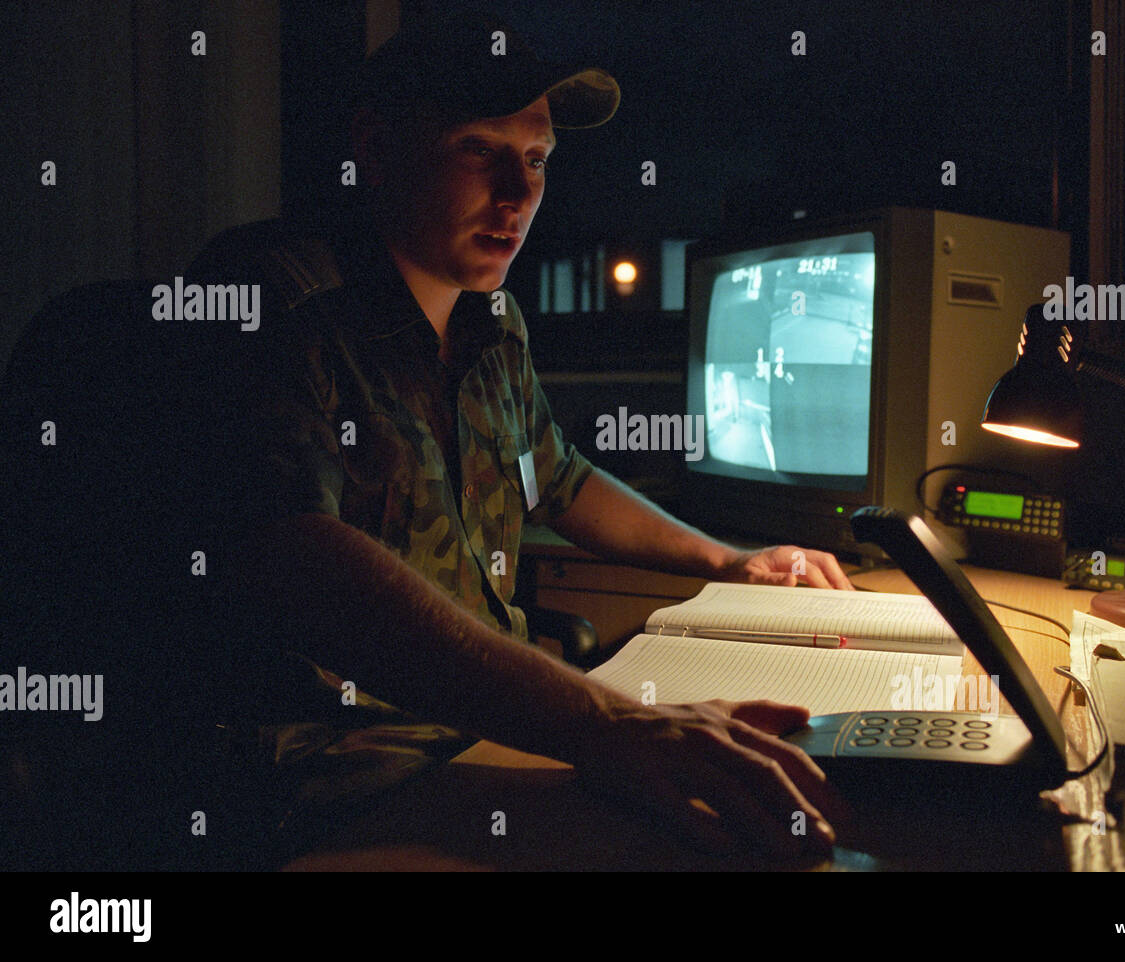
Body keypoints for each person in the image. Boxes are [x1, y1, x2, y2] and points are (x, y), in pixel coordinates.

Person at [183, 10, 855, 865]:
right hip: (322, 780)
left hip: (477, 737)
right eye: (479, 150)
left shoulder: (493, 323)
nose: (519, 194)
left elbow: (560, 479)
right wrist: (610, 721)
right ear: (376, 146)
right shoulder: (268, 296)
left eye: (535, 160)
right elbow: (296, 556)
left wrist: (729, 562)